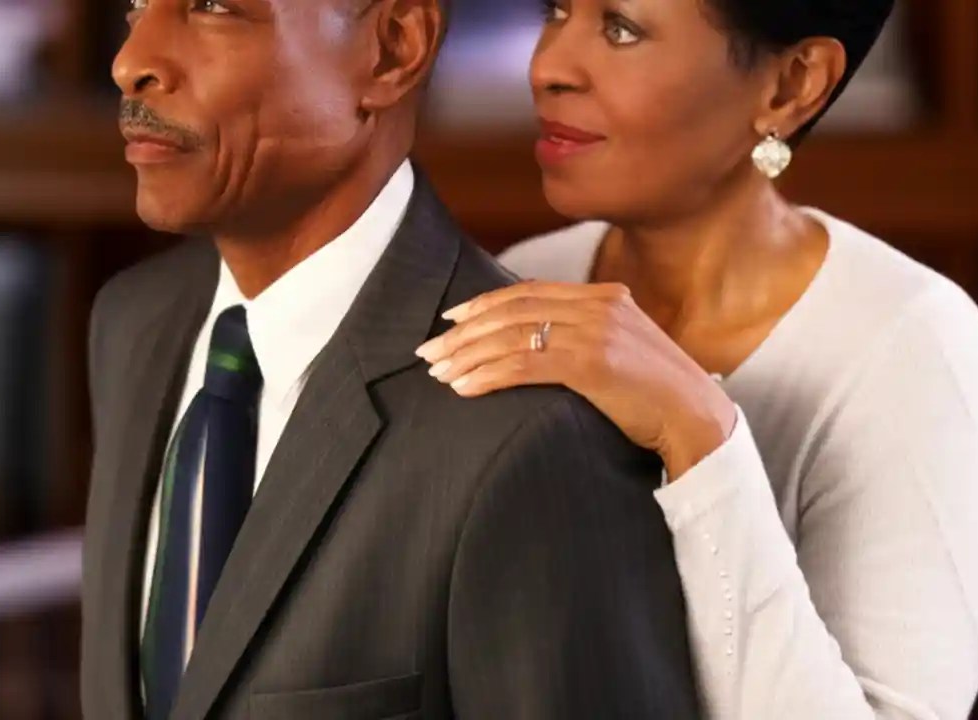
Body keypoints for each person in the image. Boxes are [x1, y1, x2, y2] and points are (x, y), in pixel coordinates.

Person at [81, 0, 701, 718]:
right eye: (135, 4)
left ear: (392, 50)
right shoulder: (131, 324)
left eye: (213, 7)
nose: (132, 60)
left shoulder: (531, 430)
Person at [415, 0, 978, 717]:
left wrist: (698, 432)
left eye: (620, 29)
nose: (548, 68)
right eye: (556, 11)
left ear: (792, 85)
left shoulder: (907, 341)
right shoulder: (524, 283)